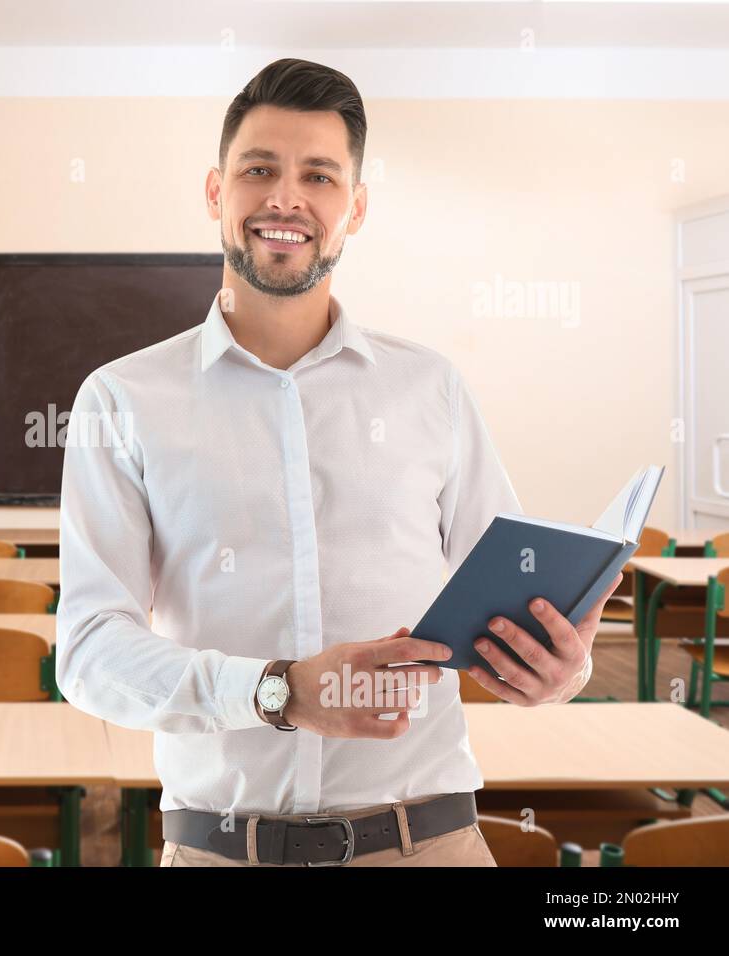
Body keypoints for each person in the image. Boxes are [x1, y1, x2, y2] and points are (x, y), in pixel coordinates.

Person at [55, 58, 619, 867]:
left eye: (319, 176)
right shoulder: (121, 400)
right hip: (221, 848)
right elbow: (88, 655)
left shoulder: (433, 389)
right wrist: (278, 691)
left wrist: (559, 668)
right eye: (259, 170)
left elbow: (506, 597)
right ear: (216, 193)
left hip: (427, 843)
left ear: (353, 209)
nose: (287, 198)